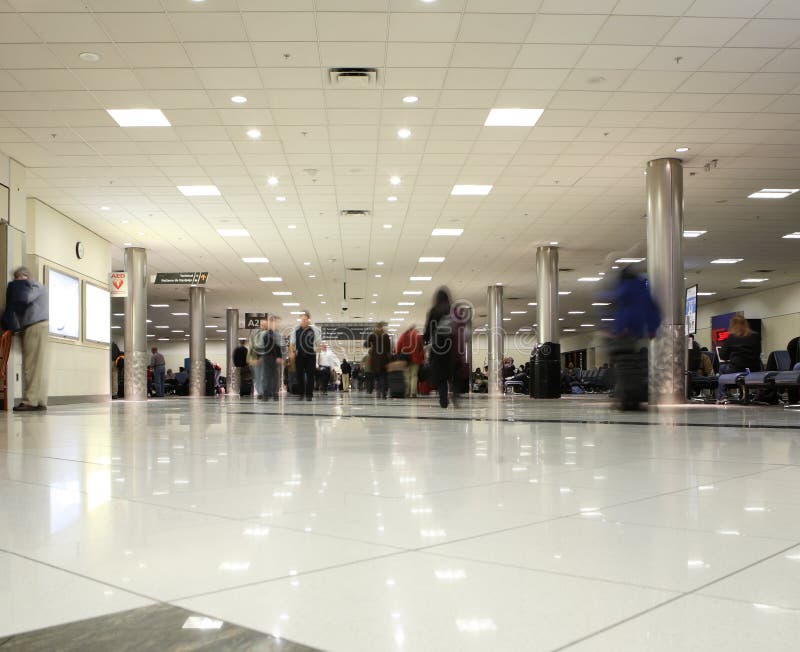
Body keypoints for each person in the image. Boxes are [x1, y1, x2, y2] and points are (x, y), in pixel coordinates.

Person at [608, 266, 661, 410]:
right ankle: (636, 397)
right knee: (638, 367)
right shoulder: (643, 289)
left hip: (625, 332)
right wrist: (652, 329)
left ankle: (625, 398)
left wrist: (619, 329)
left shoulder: (623, 288)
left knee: (624, 367)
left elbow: (622, 311)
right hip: (640, 332)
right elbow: (652, 310)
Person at [2, 266, 49, 411]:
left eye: (18, 277)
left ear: (25, 276)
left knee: (30, 365)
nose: (16, 281)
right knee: (38, 365)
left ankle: (30, 401)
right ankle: (40, 400)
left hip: (34, 326)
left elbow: (25, 298)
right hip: (38, 327)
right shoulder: (39, 286)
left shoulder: (34, 286)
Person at [424, 287, 460, 409]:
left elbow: (428, 328)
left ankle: (443, 400)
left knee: (441, 376)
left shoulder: (434, 311)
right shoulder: (453, 310)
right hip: (452, 345)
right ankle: (455, 395)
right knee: (452, 373)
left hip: (438, 346)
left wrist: (426, 339)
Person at [718, 314, 762, 401]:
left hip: (737, 369)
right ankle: (758, 395)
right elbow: (758, 352)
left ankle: (722, 396)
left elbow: (723, 356)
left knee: (722, 368)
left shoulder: (731, 337)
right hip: (754, 369)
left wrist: (731, 356)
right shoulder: (755, 336)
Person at [289, 310, 321, 401]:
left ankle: (309, 394)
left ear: (308, 320)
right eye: (302, 319)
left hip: (311, 356)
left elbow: (318, 343)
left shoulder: (314, 330)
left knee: (310, 375)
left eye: (305, 319)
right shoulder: (295, 330)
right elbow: (292, 343)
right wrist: (292, 353)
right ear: (300, 319)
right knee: (299, 375)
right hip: (299, 355)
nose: (304, 321)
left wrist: (317, 350)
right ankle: (301, 393)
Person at [396, 324, 425, 397]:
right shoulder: (417, 336)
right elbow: (421, 348)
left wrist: (398, 355)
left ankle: (407, 392)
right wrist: (422, 358)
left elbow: (398, 346)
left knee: (406, 376)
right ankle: (413, 392)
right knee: (414, 375)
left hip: (405, 359)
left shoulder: (403, 335)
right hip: (416, 359)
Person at [366, 322, 392, 399]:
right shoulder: (386, 336)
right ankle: (383, 393)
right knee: (383, 377)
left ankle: (378, 393)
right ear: (382, 328)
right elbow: (388, 348)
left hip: (375, 360)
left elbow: (367, 344)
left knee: (377, 378)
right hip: (384, 359)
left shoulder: (372, 335)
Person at [262, 315, 283, 400]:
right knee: (267, 376)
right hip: (267, 356)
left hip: (274, 357)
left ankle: (275, 393)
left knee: (275, 376)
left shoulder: (277, 334)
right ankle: (266, 393)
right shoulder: (266, 334)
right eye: (271, 322)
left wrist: (279, 356)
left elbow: (278, 346)